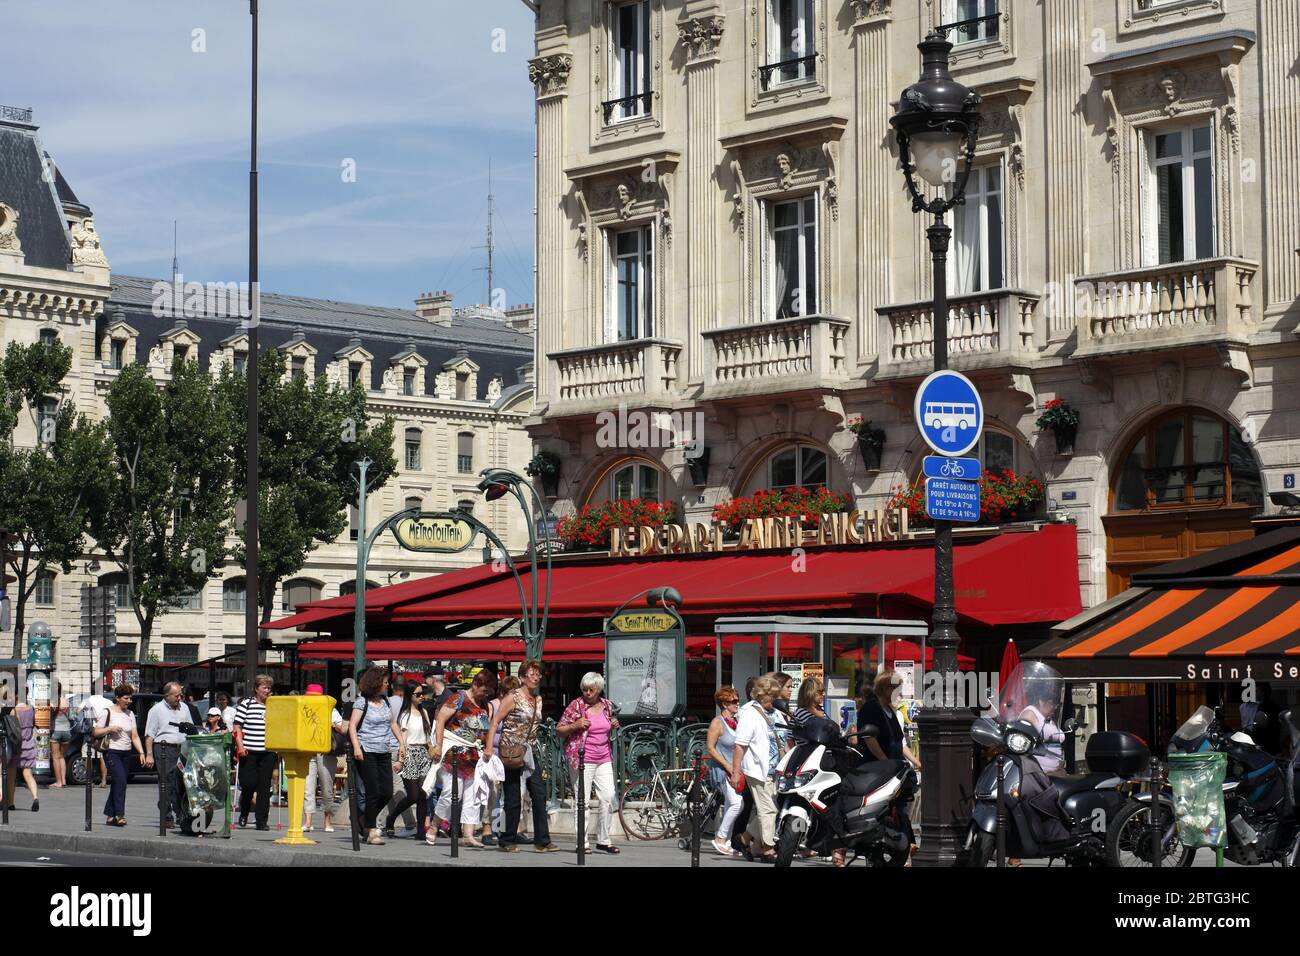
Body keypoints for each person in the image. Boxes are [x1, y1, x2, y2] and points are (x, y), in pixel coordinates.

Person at [486, 659, 558, 852]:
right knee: (512, 797)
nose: (537, 677)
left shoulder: (538, 699)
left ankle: (542, 840)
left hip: (529, 752)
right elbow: (494, 722)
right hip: (511, 752)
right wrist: (488, 748)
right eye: (532, 674)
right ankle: (507, 840)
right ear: (523, 677)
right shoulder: (513, 697)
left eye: (538, 674)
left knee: (539, 793)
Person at [426, 671, 493, 848]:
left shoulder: (484, 703)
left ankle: (468, 834)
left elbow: (485, 729)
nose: (486, 694)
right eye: (484, 690)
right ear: (476, 684)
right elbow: (440, 719)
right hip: (454, 753)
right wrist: (439, 745)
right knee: (451, 792)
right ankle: (434, 825)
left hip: (473, 755)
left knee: (472, 795)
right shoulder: (458, 698)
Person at [557, 672, 621, 854]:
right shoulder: (576, 706)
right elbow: (559, 729)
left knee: (608, 796)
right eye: (584, 689)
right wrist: (575, 725)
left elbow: (607, 725)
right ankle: (581, 842)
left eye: (591, 689)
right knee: (582, 801)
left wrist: (614, 723)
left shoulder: (607, 705)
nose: (587, 692)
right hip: (581, 758)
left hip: (603, 757)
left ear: (599, 689)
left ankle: (603, 839)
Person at [349, 666, 406, 845]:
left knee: (387, 792)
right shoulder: (361, 702)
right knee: (373, 791)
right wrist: (357, 748)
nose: (387, 685)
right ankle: (371, 830)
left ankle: (365, 818)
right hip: (366, 750)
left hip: (384, 750)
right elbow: (352, 726)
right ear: (376, 683)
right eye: (385, 682)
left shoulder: (386, 701)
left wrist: (401, 743)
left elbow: (393, 723)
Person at [732, 674, 782, 862]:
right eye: (773, 696)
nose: (776, 700)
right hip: (757, 770)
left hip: (776, 771)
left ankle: (744, 839)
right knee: (768, 810)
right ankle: (768, 849)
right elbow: (740, 745)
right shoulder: (749, 713)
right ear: (762, 695)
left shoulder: (775, 713)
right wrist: (736, 772)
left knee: (768, 809)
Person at [91, 684, 145, 826]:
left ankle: (110, 814)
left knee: (117, 783)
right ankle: (119, 815)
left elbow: (134, 736)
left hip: (126, 753)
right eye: (126, 698)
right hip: (112, 752)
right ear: (117, 698)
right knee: (121, 781)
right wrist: (110, 728)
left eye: (130, 699)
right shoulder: (107, 712)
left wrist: (141, 752)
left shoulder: (130, 714)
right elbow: (96, 732)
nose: (129, 701)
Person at [386, 683, 433, 839]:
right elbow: (403, 740)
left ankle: (420, 831)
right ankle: (391, 818)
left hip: (423, 753)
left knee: (423, 794)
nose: (421, 697)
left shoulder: (424, 712)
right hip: (410, 753)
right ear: (409, 696)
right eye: (417, 694)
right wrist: (400, 760)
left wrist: (432, 751)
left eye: (422, 694)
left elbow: (428, 737)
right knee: (413, 795)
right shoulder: (405, 714)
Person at [144, 681, 192, 828]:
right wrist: (149, 754)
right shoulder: (156, 710)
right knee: (167, 783)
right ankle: (167, 816)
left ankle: (182, 814)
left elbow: (190, 727)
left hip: (183, 748)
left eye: (181, 695)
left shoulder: (184, 707)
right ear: (167, 695)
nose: (180, 698)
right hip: (164, 749)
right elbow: (149, 735)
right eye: (177, 695)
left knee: (183, 783)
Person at [234, 675, 279, 831]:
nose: (267, 690)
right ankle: (244, 812)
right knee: (248, 784)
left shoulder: (273, 705)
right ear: (256, 689)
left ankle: (261, 821)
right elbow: (237, 727)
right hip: (249, 751)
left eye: (269, 688)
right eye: (264, 687)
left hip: (268, 751)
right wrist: (240, 746)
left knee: (264, 787)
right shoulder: (247, 704)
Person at [706, 686, 744, 857]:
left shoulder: (736, 722)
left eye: (737, 700)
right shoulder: (717, 723)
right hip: (722, 770)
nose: (737, 703)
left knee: (730, 804)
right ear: (723, 704)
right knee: (737, 804)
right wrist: (727, 765)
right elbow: (710, 748)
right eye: (733, 701)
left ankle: (727, 843)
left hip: (735, 770)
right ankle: (720, 838)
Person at [302, 684, 345, 833]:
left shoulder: (330, 710)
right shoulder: (303, 708)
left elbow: (340, 726)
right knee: (307, 788)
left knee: (327, 787)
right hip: (307, 751)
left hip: (325, 751)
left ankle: (328, 818)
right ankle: (308, 821)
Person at [857, 670, 921, 770]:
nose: (899, 692)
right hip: (877, 771)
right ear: (885, 688)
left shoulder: (891, 710)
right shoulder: (870, 709)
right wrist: (886, 762)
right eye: (896, 688)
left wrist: (917, 763)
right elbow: (869, 738)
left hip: (894, 768)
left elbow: (900, 743)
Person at [383, 678, 416, 836]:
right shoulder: (410, 704)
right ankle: (388, 822)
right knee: (392, 787)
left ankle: (410, 822)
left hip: (391, 748)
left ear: (392, 687)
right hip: (406, 747)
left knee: (394, 787)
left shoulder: (387, 702)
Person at [3, 701, 39, 811]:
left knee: (11, 776)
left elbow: (11, 729)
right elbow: (35, 723)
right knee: (28, 774)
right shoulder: (31, 709)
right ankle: (35, 797)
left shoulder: (13, 710)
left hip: (16, 746)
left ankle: (11, 803)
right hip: (28, 745)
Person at [49, 690, 72, 788]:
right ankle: (64, 781)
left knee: (55, 757)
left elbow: (49, 715)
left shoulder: (52, 701)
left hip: (56, 730)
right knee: (62, 756)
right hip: (67, 730)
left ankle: (58, 782)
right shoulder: (66, 700)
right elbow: (71, 715)